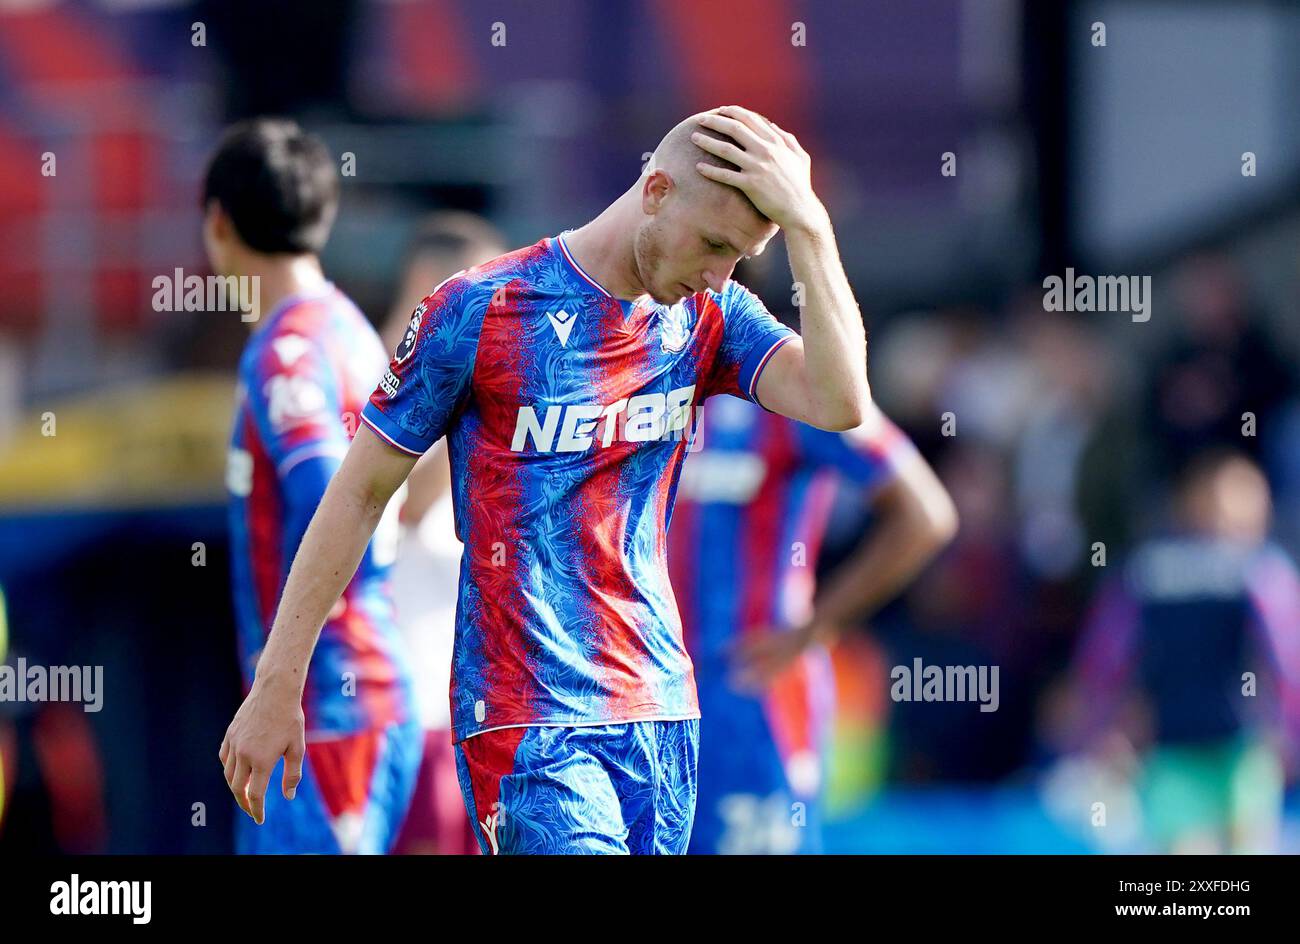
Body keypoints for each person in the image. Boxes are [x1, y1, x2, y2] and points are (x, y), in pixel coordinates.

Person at [221, 105, 872, 854]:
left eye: (743, 254)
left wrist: (812, 230)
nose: (720, 272)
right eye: (716, 244)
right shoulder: (480, 307)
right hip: (529, 720)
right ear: (655, 191)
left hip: (661, 709)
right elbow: (358, 492)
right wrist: (278, 681)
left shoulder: (711, 315)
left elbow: (840, 398)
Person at [210, 118, 420, 853]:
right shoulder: (349, 330)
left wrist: (280, 686)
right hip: (344, 706)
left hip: (324, 716)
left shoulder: (289, 351)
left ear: (217, 223)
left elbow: (332, 492)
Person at [669, 396, 955, 853]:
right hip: (644, 697)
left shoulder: (795, 385)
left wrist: (816, 628)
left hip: (754, 698)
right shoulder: (639, 380)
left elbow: (925, 514)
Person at [1068, 449, 1300, 853]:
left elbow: (1102, 664)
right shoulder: (1257, 571)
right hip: (1186, 751)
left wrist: (1101, 726)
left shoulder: (1150, 570)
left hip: (1236, 751)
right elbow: (1288, 662)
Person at [382, 213, 506, 855]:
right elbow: (396, 503)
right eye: (489, 289)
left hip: (463, 707)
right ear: (439, 286)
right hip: (405, 699)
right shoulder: (370, 379)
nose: (505, 306)